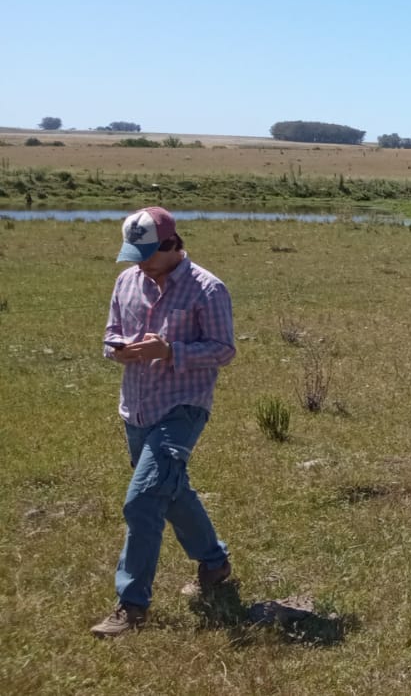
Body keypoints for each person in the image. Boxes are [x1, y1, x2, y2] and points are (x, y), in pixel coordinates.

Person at [92, 207, 237, 638]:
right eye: (134, 255)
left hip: (182, 407)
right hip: (136, 408)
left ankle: (131, 605)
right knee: (171, 491)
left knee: (143, 501)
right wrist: (119, 350)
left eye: (148, 254)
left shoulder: (207, 289)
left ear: (173, 245)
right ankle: (214, 563)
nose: (140, 264)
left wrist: (171, 351)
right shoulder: (127, 282)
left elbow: (223, 350)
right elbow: (111, 335)